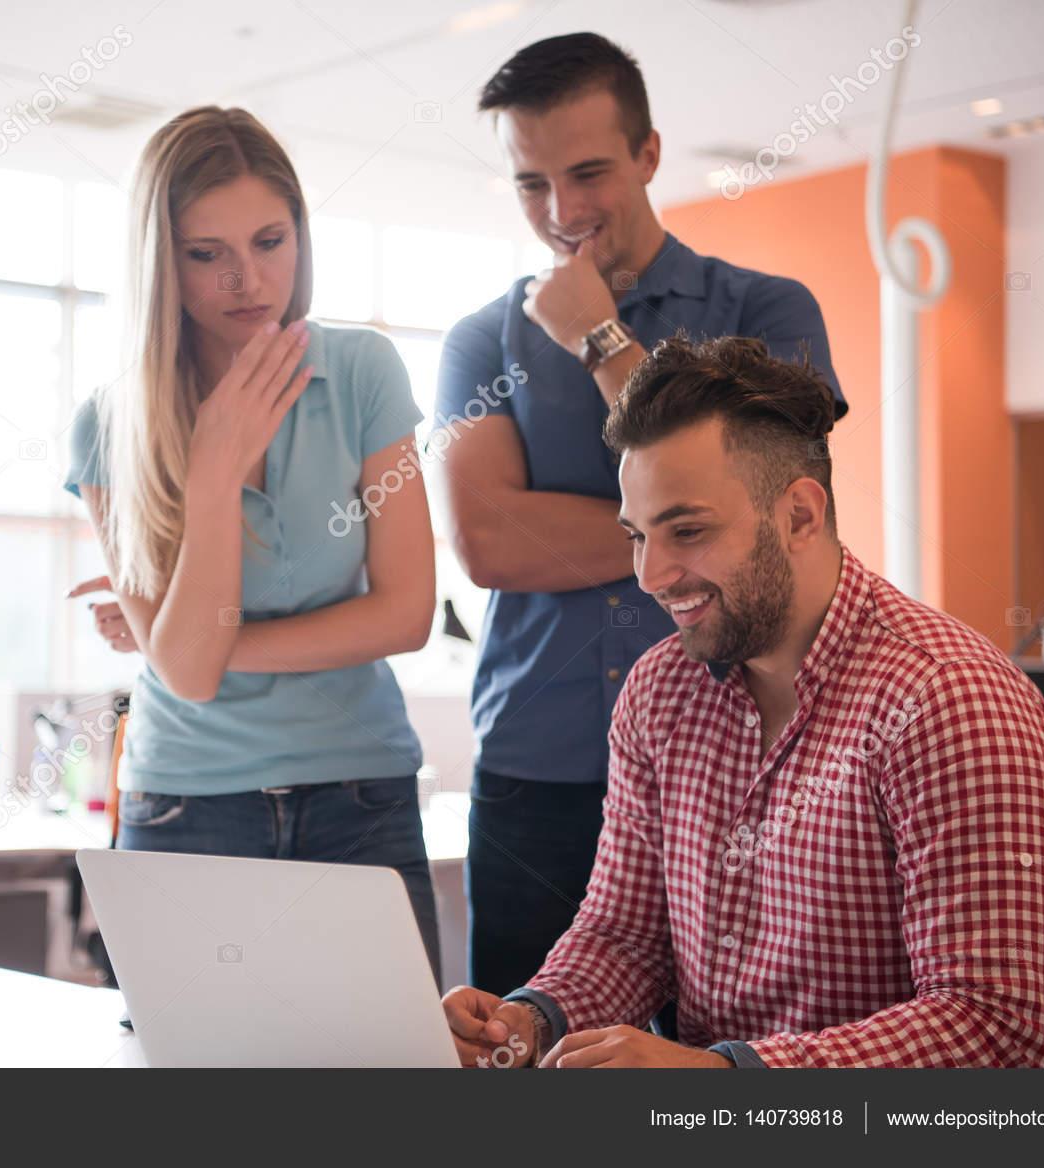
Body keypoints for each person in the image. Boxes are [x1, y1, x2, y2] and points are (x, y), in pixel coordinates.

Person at [442, 335, 1044, 1068]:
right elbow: (626, 935)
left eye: (688, 531)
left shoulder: (949, 700)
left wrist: (727, 1076)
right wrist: (529, 1020)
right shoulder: (658, 692)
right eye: (638, 536)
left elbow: (993, 1028)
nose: (650, 573)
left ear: (800, 515)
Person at [434, 32, 847, 996]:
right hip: (538, 767)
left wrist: (601, 338)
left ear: (650, 154)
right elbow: (490, 544)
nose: (563, 213)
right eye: (532, 184)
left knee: (701, 1054)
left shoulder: (769, 310)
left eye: (588, 174)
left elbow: (782, 517)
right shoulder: (478, 342)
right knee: (521, 1050)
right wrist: (701, 525)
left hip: (737, 754)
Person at [64, 106, 441, 979]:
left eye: (271, 240)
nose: (249, 278)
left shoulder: (362, 373)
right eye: (208, 254)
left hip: (359, 791)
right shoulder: (110, 425)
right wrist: (214, 467)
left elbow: (406, 613)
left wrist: (196, 638)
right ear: (163, 261)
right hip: (187, 808)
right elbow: (186, 679)